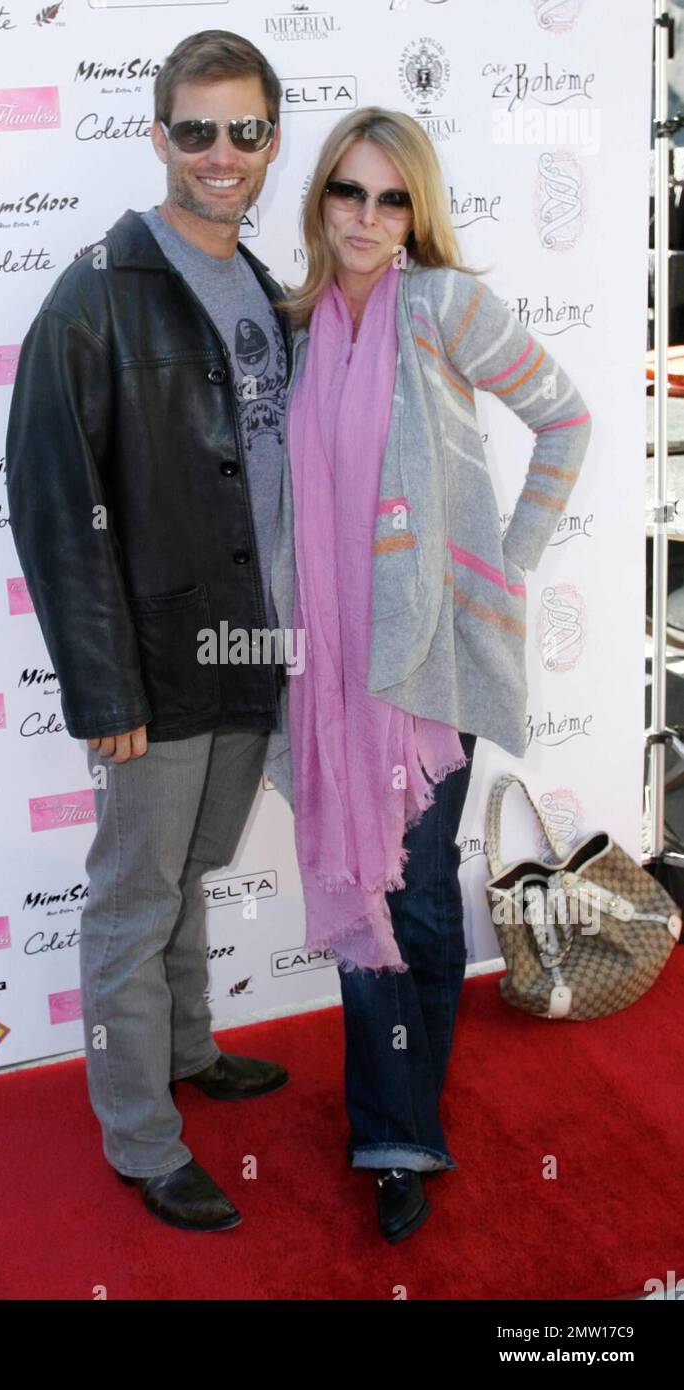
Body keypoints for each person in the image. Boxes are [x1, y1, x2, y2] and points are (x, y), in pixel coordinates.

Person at [264, 107, 592, 1243]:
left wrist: (506, 566)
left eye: (389, 197)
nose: (365, 219)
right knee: (362, 883)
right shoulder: (296, 323)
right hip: (327, 668)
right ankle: (382, 1116)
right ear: (320, 203)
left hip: (428, 663)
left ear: (418, 209)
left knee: (410, 891)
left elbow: (565, 418)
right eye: (347, 194)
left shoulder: (446, 307)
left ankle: (402, 1132)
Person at [4, 30, 294, 1234]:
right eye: (195, 129)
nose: (220, 155)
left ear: (271, 140)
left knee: (188, 875)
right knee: (135, 895)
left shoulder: (269, 287)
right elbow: (51, 503)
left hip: (251, 649)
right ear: (159, 135)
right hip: (154, 665)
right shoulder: (95, 294)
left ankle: (186, 1046)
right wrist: (103, 689)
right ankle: (138, 1133)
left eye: (244, 131)